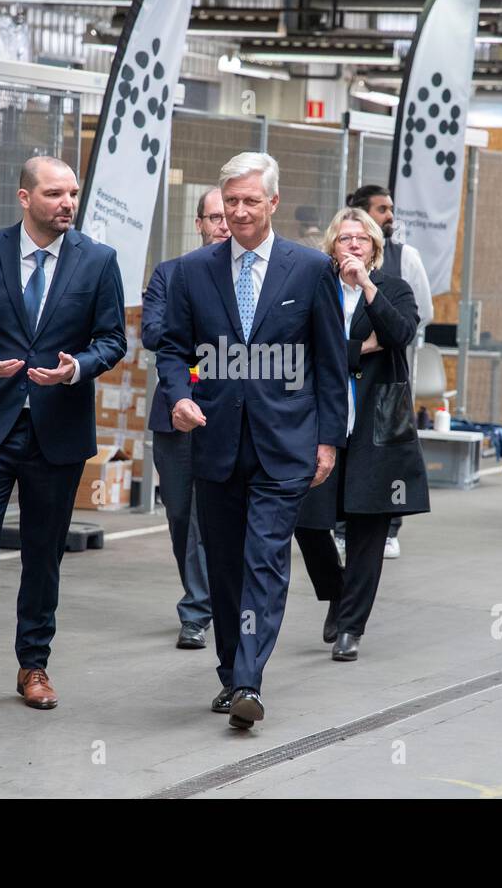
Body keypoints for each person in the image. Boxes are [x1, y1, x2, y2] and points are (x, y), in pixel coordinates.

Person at [0, 156, 126, 712]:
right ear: (24, 197)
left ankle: (33, 666)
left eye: (74, 194)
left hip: (57, 433)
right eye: (55, 194)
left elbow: (113, 339)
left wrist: (76, 368)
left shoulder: (98, 261)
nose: (68, 203)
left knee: (43, 554)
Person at [156, 152, 348, 730]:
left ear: (272, 203)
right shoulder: (193, 271)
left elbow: (329, 360)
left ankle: (248, 680)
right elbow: (171, 348)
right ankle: (229, 672)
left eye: (249, 201)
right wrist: (178, 395)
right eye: (230, 202)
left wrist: (329, 439)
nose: (238, 212)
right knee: (224, 565)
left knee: (265, 559)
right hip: (215, 443)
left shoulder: (310, 268)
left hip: (284, 443)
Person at [293, 207, 428, 662]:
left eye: (363, 239)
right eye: (345, 238)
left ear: (375, 249)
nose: (353, 245)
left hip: (376, 426)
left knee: (368, 530)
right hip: (322, 426)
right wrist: (360, 348)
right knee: (307, 520)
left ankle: (351, 626)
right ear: (331, 246)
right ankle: (336, 591)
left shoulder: (392, 289)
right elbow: (303, 348)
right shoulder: (316, 289)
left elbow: (401, 331)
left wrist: (368, 288)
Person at [142, 187, 229, 650]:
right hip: (174, 413)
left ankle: (197, 610)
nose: (222, 225)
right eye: (213, 217)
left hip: (229, 412)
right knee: (180, 513)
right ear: (199, 224)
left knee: (208, 516)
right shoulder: (170, 274)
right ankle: (204, 596)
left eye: (227, 216)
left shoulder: (247, 278)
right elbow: (153, 332)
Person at [342, 184, 434, 559]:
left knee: (384, 453)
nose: (390, 216)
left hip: (387, 382)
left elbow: (416, 317)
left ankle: (388, 527)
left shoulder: (403, 259)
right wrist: (361, 346)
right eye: (382, 209)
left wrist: (388, 336)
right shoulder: (324, 281)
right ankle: (341, 526)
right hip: (344, 384)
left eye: (390, 209)